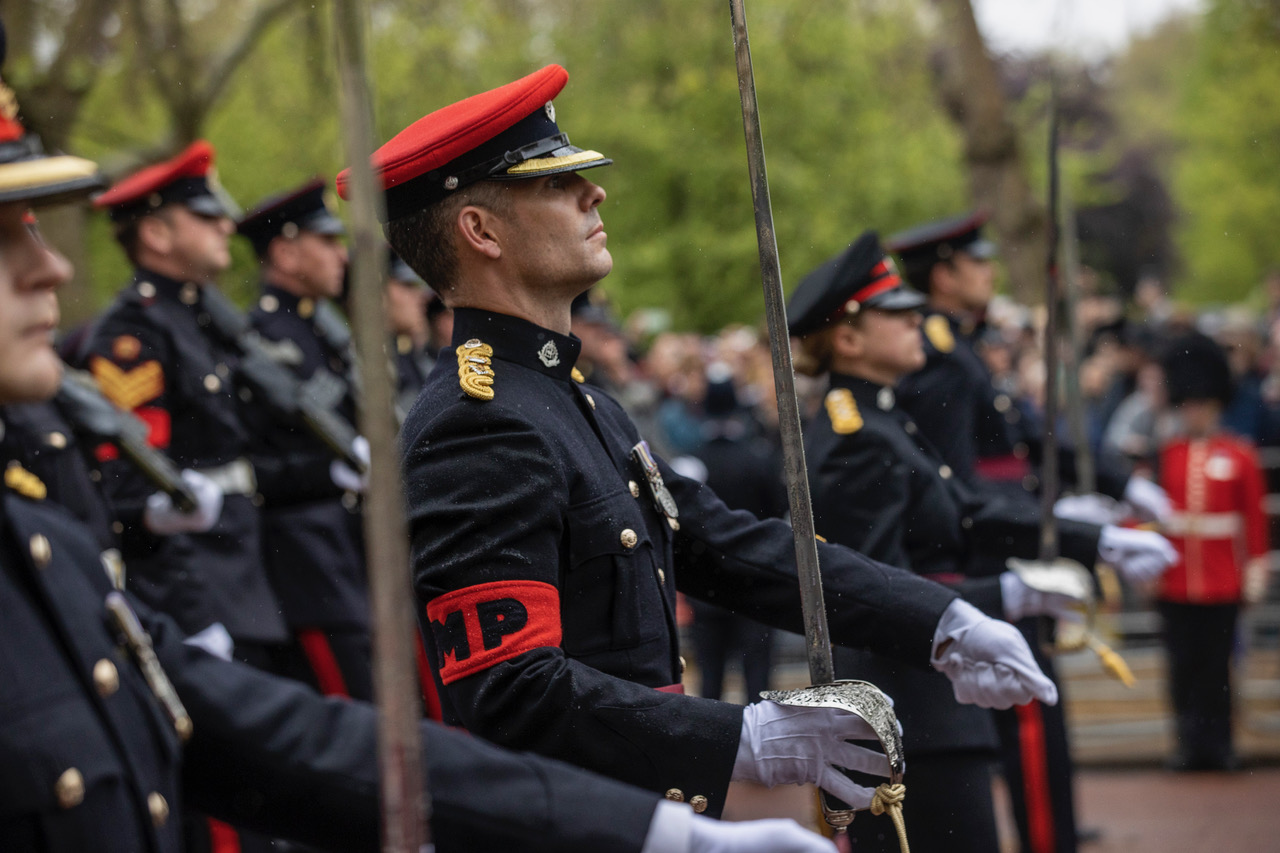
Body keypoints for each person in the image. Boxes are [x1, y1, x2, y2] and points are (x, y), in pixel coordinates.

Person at [0, 55, 839, 853]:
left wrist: (657, 831)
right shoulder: (159, 338)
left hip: (308, 578)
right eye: (7, 238)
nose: (52, 266)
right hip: (267, 577)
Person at [341, 63, 1059, 817]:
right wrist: (737, 735)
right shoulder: (476, 418)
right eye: (554, 183)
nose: (595, 191)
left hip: (632, 808)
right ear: (480, 230)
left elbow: (726, 545)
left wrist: (941, 621)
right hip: (567, 821)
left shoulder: (574, 400)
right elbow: (510, 689)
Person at [787, 231, 1175, 852]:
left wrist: (1094, 540)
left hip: (935, 706)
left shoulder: (885, 422)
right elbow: (877, 590)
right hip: (908, 711)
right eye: (895, 314)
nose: (917, 321)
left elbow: (967, 515)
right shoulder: (857, 441)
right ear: (850, 339)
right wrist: (1009, 592)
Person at [81, 139, 290, 672]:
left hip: (251, 572)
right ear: (155, 233)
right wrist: (191, 617)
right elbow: (142, 492)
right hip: (203, 587)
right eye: (205, 215)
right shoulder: (133, 333)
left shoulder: (205, 321)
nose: (226, 225)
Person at [238, 179, 375, 701]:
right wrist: (329, 471)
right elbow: (252, 463)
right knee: (353, 711)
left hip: (352, 552)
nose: (341, 255)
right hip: (309, 563)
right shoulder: (259, 340)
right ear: (286, 251)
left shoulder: (326, 332)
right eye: (327, 242)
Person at [1156, 332, 1270, 772]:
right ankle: (1188, 743)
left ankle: (1219, 745)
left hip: (1222, 577)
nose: (1194, 411)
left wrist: (1255, 566)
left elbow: (1253, 519)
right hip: (1176, 577)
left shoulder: (1238, 455)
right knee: (1181, 668)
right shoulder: (1166, 454)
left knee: (1217, 670)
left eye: (1201, 404)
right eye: (1189, 404)